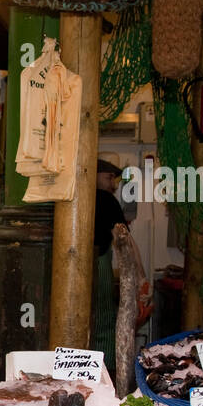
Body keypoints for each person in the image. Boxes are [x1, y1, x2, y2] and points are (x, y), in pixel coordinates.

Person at [91, 158, 130, 374]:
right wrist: (140, 277)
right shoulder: (106, 199)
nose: (113, 184)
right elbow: (125, 241)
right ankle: (105, 371)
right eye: (108, 178)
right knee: (104, 319)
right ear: (93, 175)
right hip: (99, 264)